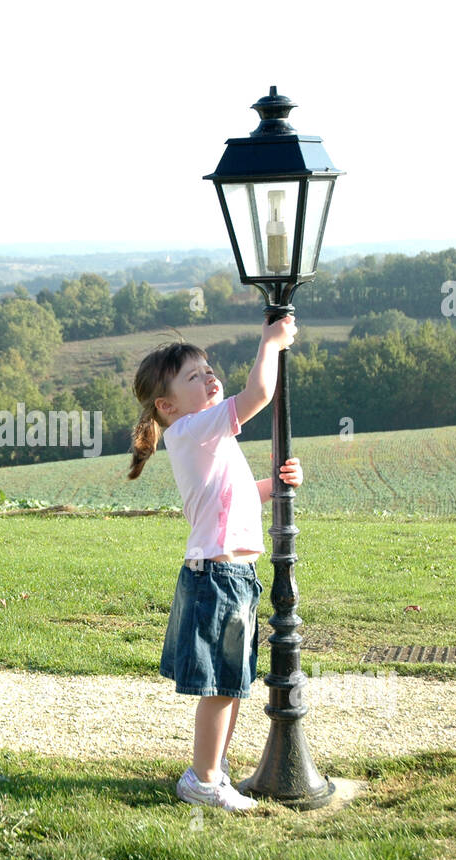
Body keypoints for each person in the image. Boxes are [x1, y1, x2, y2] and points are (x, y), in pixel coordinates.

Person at [126, 316, 302, 812]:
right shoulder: (191, 430)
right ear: (168, 406)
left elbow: (241, 495)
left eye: (208, 369)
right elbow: (260, 393)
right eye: (194, 376)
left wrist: (281, 483)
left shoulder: (209, 438)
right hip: (218, 576)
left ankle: (212, 772)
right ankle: (202, 780)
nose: (208, 377)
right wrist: (271, 341)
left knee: (233, 682)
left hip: (234, 574)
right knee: (222, 685)